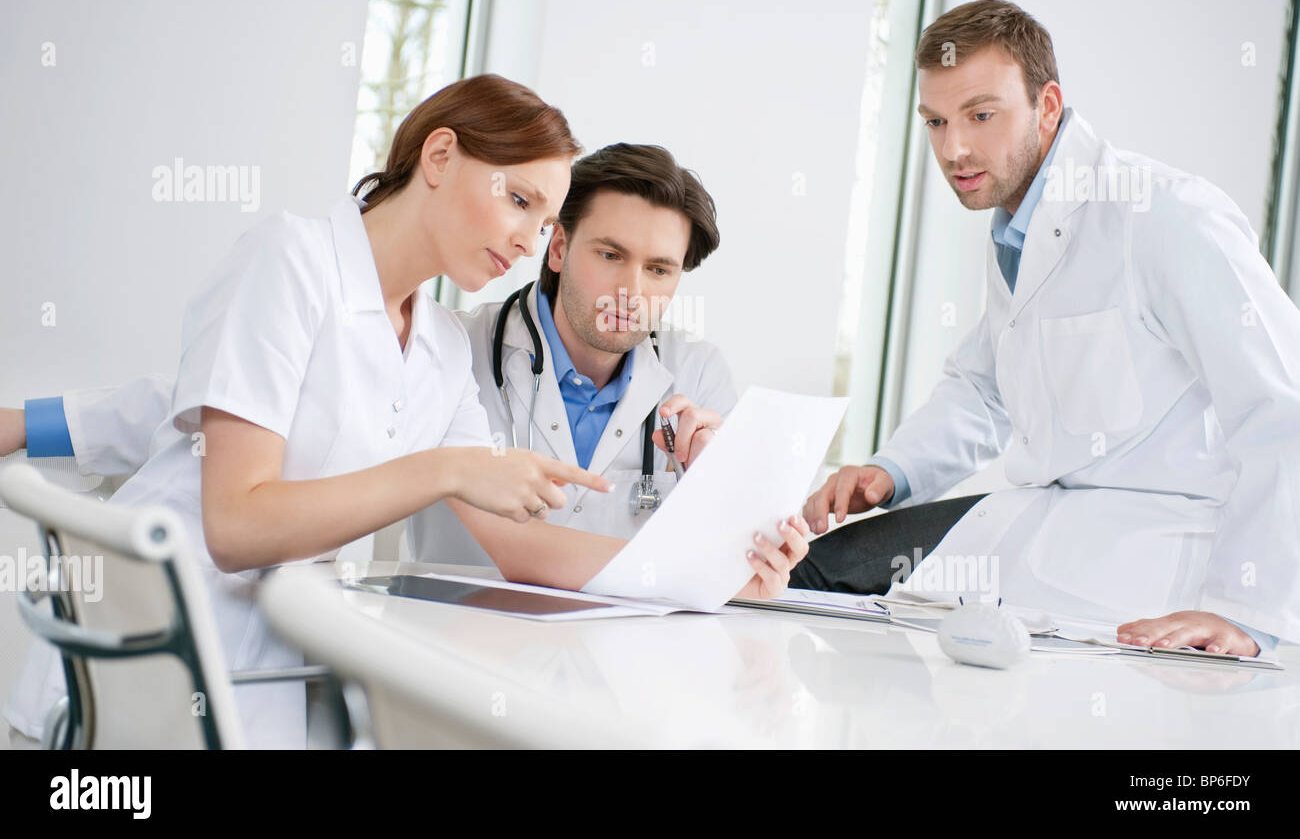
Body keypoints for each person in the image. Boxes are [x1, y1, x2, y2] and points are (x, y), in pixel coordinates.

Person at [3, 75, 807, 748]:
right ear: (441, 154)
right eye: (519, 201)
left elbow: (517, 546)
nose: (530, 241)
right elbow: (235, 521)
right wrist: (442, 469)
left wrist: (713, 574)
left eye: (542, 218)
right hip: (150, 666)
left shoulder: (441, 350)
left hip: (270, 677)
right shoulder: (293, 259)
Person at [797, 0, 1299, 655]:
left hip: (1155, 543)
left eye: (981, 115)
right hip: (1043, 522)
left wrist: (1249, 614)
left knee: (865, 628)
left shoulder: (1163, 215)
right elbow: (984, 385)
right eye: (936, 122)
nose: (955, 148)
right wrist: (890, 471)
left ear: (1048, 105)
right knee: (811, 575)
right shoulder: (1018, 224)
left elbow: (1281, 402)